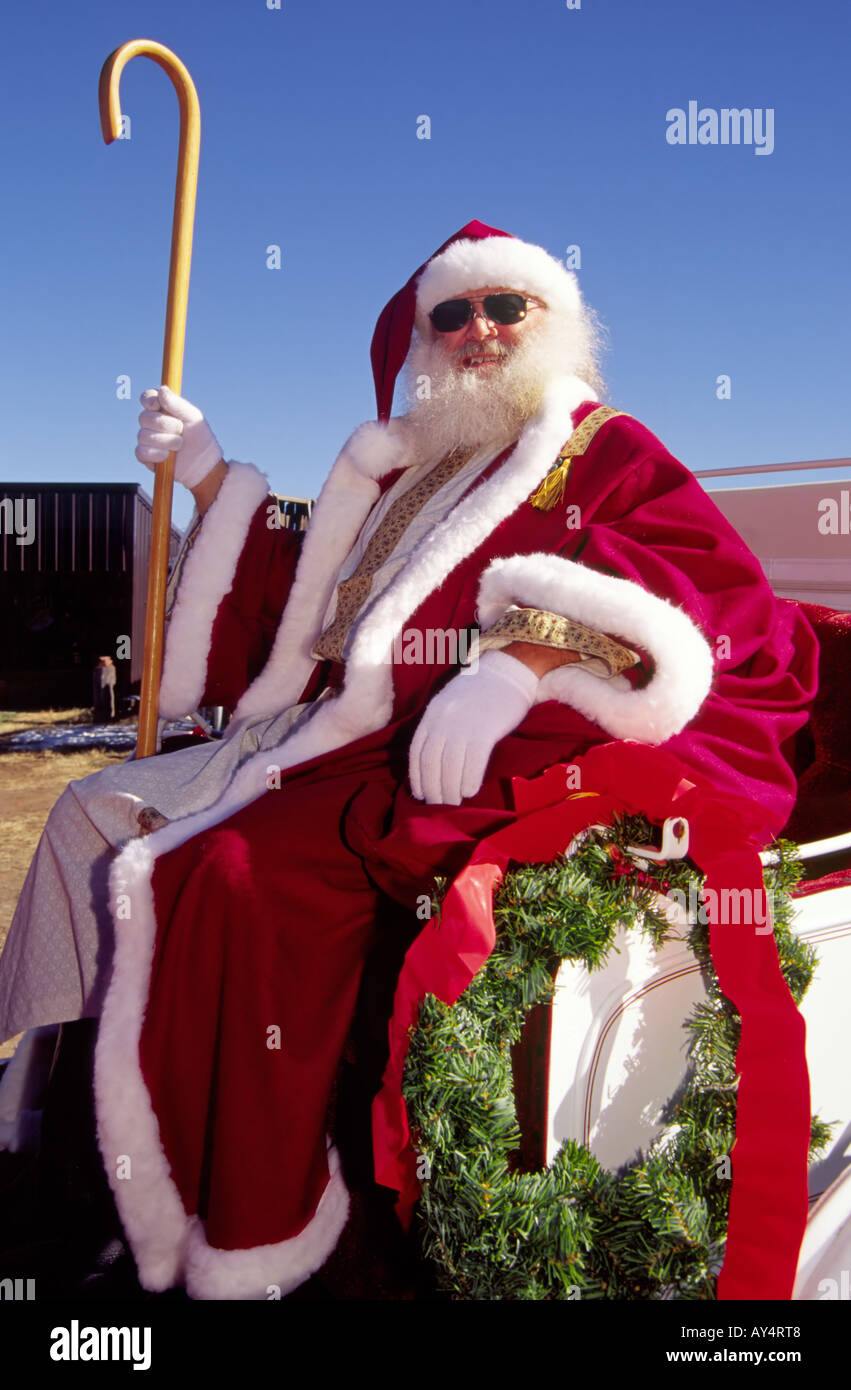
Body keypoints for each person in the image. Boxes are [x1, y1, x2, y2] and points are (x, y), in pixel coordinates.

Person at [0, 220, 818, 1300]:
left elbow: (693, 582)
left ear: (549, 322)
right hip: (314, 735)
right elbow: (306, 607)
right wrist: (207, 480)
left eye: (502, 307)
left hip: (456, 749)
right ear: (421, 341)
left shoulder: (596, 446)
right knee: (88, 817)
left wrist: (518, 662)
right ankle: (80, 1123)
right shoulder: (403, 475)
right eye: (450, 313)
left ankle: (259, 1216)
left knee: (226, 878)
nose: (476, 332)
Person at [91, 655, 117, 723]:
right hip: (99, 678)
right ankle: (99, 717)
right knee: (97, 698)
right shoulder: (97, 670)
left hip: (108, 680)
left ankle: (109, 717)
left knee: (108, 697)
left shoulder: (111, 669)